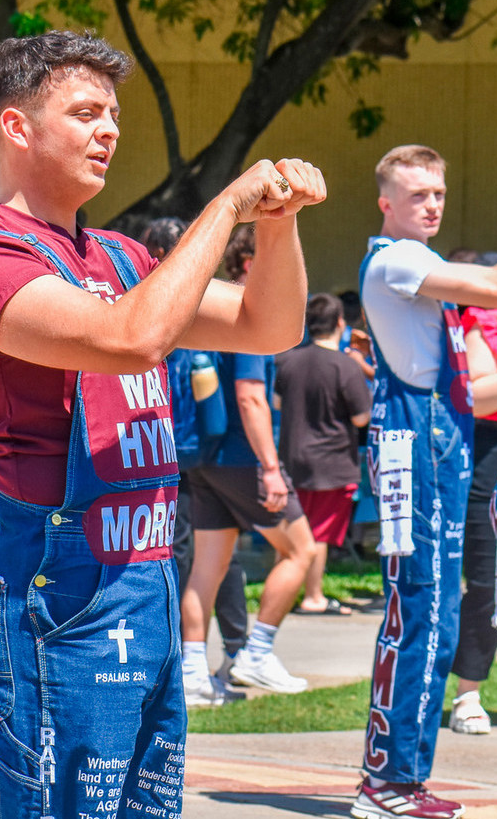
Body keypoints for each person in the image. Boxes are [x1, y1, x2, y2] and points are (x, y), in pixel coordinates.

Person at [0, 30, 323, 815]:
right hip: (56, 596)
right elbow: (130, 337)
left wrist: (277, 223)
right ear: (17, 126)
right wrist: (227, 205)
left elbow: (268, 325)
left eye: (114, 114)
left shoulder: (118, 256)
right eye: (85, 113)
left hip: (144, 581)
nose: (109, 130)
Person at [355, 144, 497, 819]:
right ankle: (389, 780)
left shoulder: (419, 262)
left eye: (439, 193)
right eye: (418, 195)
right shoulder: (400, 260)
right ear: (386, 203)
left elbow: (475, 385)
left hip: (433, 438)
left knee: (431, 612)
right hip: (415, 442)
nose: (433, 205)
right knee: (422, 611)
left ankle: (398, 778)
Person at [180, 226, 318, 701]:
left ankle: (193, 673)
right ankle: (255, 653)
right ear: (250, 263)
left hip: (207, 456)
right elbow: (251, 396)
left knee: (207, 569)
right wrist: (271, 467)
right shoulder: (251, 311)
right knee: (301, 551)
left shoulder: (216, 309)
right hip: (244, 458)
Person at [143, 216, 251, 706]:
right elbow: (212, 401)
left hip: (158, 454)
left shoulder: (148, 307)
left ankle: (186, 657)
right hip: (196, 453)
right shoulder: (199, 307)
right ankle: (234, 650)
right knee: (212, 559)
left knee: (182, 559)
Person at [274, 292, 371, 616]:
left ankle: (281, 595)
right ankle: (313, 596)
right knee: (318, 534)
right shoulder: (346, 365)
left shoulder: (287, 360)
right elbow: (361, 418)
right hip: (333, 463)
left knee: (289, 531)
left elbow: (276, 403)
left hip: (291, 459)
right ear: (340, 323)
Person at [448, 273, 497, 735]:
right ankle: (466, 693)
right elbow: (475, 399)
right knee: (489, 579)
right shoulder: (488, 320)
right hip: (492, 450)